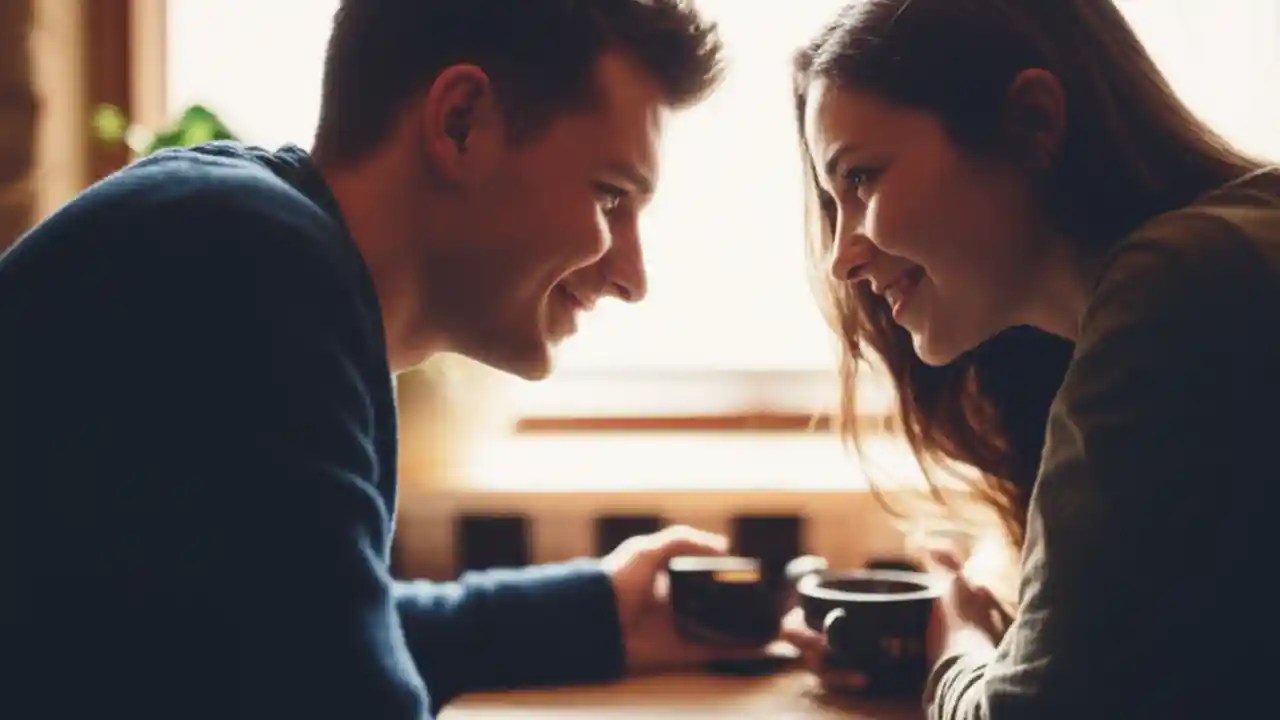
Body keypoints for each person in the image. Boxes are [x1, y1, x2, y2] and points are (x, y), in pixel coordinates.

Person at [0, 2, 761, 718]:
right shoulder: (250, 271)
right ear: (461, 123)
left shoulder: (238, 235)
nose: (632, 277)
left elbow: (288, 636)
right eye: (609, 198)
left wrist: (596, 617)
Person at [779, 0, 1280, 718]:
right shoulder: (1219, 266)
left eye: (861, 179)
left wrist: (951, 640)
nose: (841, 257)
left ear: (1033, 122)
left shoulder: (1176, 286)